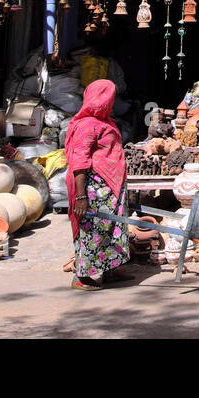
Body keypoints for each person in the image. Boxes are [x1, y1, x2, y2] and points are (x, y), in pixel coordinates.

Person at [65, 79, 130, 291]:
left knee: (111, 228)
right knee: (92, 230)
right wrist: (81, 196)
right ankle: (82, 277)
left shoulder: (105, 122)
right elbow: (79, 162)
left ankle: (111, 267)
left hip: (111, 187)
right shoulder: (86, 125)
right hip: (94, 188)